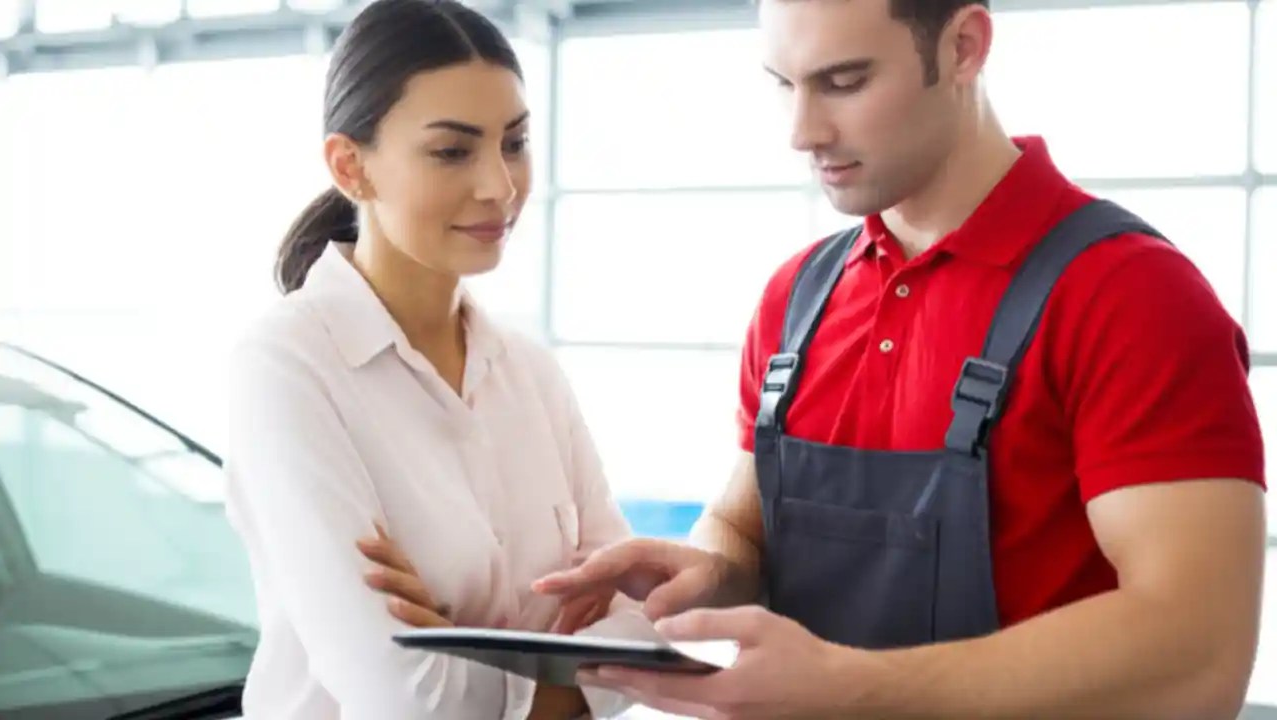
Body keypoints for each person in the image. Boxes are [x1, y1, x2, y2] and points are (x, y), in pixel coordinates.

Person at [526, 0, 1269, 717]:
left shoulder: (1130, 296)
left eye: (844, 82)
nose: (802, 131)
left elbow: (1197, 657)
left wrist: (848, 688)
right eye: (784, 84)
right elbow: (743, 523)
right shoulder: (797, 297)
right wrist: (710, 571)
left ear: (963, 47)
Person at [222, 1, 656, 718]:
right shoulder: (288, 367)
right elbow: (405, 700)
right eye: (452, 151)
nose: (500, 185)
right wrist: (562, 684)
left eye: (513, 143)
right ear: (350, 165)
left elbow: (639, 621)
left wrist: (462, 645)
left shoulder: (530, 372)